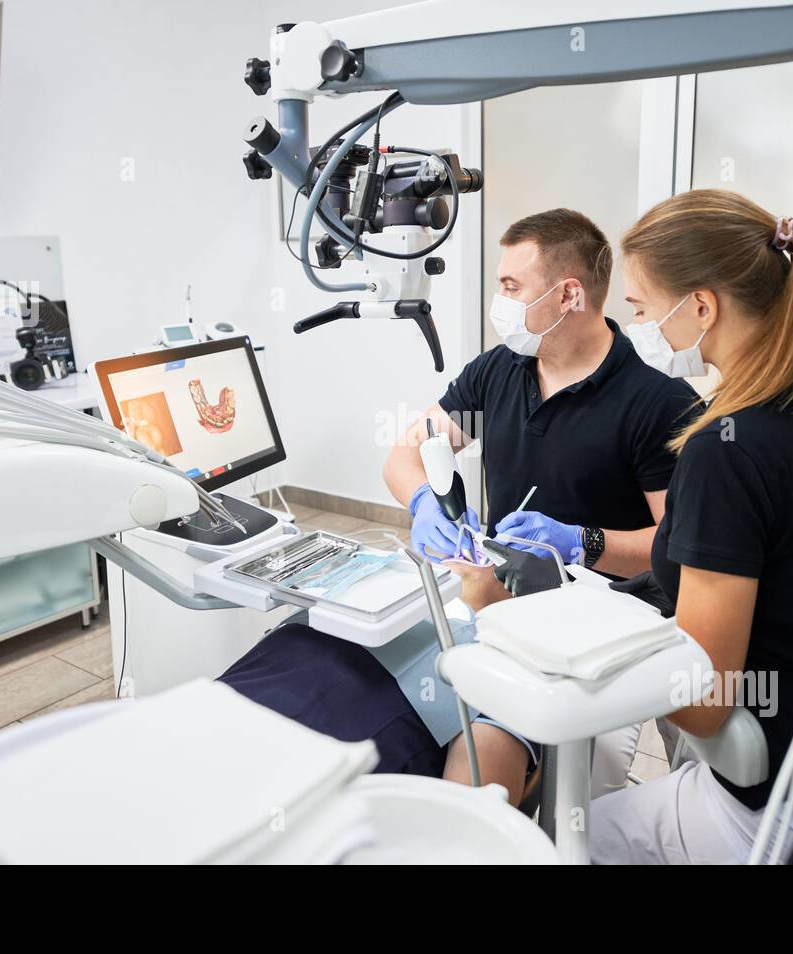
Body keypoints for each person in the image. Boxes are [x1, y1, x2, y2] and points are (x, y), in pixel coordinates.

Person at [220, 208, 699, 805]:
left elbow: (679, 549)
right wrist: (423, 500)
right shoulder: (499, 371)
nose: (499, 301)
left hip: (601, 614)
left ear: (568, 294)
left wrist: (583, 541)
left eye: (511, 287)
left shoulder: (657, 402)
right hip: (495, 589)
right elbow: (406, 451)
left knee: (517, 743)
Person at [581, 189, 793, 864]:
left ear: (702, 307)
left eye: (642, 309)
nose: (637, 328)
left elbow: (706, 704)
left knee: (566, 837)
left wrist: (605, 661)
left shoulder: (724, 450)